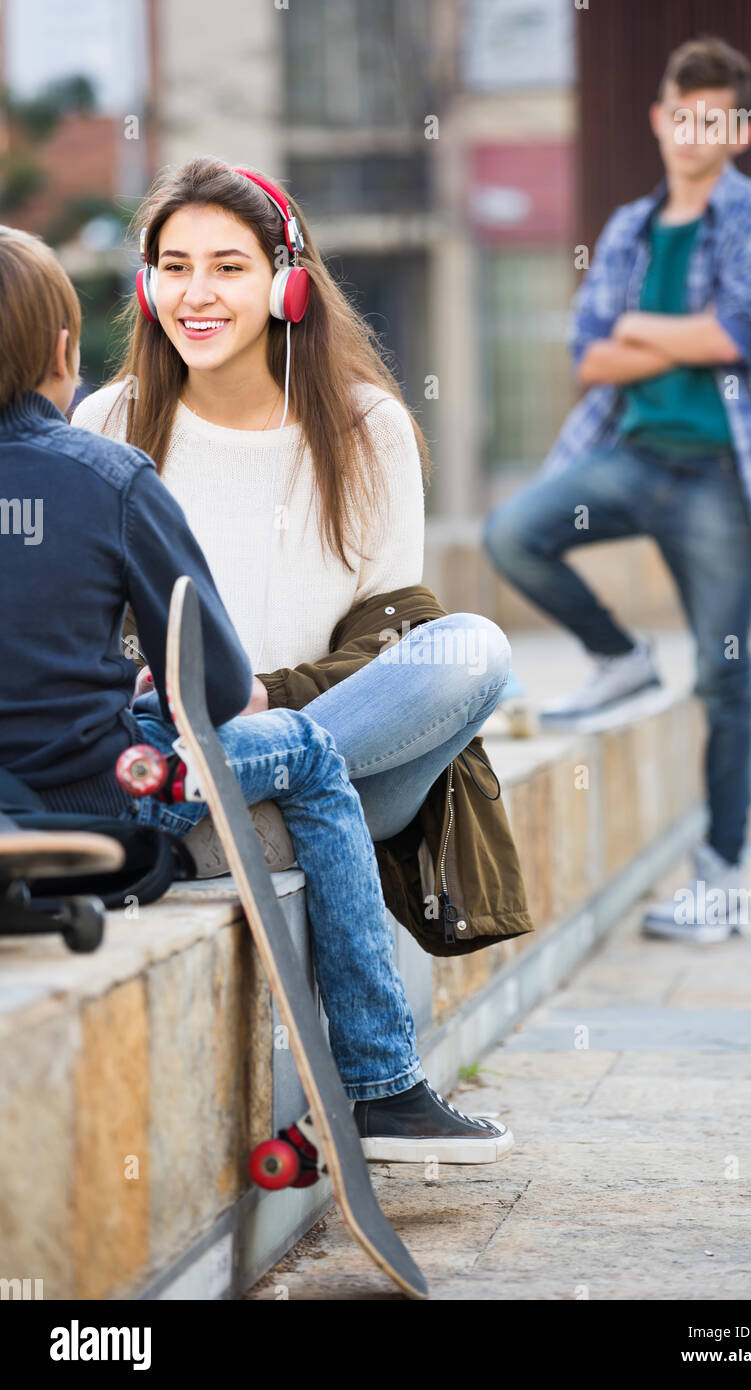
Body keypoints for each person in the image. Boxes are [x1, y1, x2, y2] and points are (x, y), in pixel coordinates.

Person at [0, 223, 514, 1162]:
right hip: (135, 790)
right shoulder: (107, 455)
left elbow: (389, 625)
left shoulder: (366, 426)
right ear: (64, 348)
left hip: (80, 781)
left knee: (467, 649)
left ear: (288, 285)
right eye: (175, 268)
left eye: (228, 266)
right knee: (308, 760)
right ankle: (383, 1086)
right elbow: (217, 682)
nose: (196, 292)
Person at [483, 36, 751, 942]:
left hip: (722, 474)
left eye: (712, 118)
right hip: (632, 457)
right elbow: (589, 356)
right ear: (660, 118)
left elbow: (736, 336)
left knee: (726, 679)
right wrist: (678, 332)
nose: (691, 132)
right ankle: (618, 655)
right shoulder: (630, 226)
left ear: (739, 129)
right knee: (513, 534)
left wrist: (643, 327)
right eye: (681, 114)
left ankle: (720, 882)